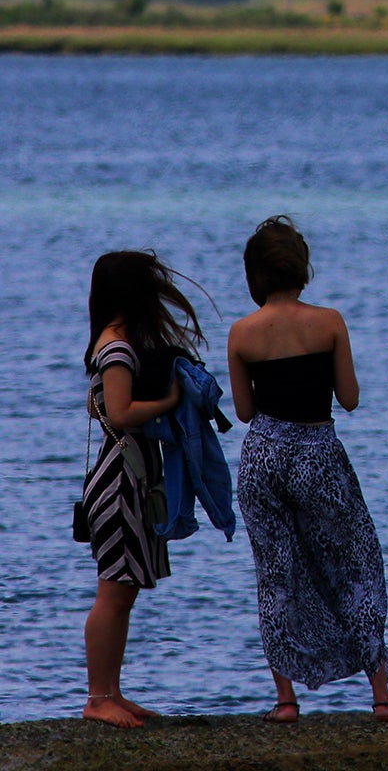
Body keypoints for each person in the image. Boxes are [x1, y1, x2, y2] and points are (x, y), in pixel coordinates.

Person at [226, 217, 388, 723]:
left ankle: (286, 700)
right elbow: (349, 399)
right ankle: (381, 695)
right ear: (301, 267)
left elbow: (243, 411)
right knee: (355, 565)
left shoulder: (241, 333)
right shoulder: (329, 322)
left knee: (275, 577)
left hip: (262, 457)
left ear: (255, 274)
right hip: (317, 455)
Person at [80, 251, 199, 727]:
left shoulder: (113, 344)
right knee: (113, 591)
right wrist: (170, 399)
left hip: (127, 476)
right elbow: (122, 412)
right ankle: (97, 697)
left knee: (124, 591)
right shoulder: (117, 349)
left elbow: (101, 407)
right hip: (119, 482)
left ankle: (113, 690)